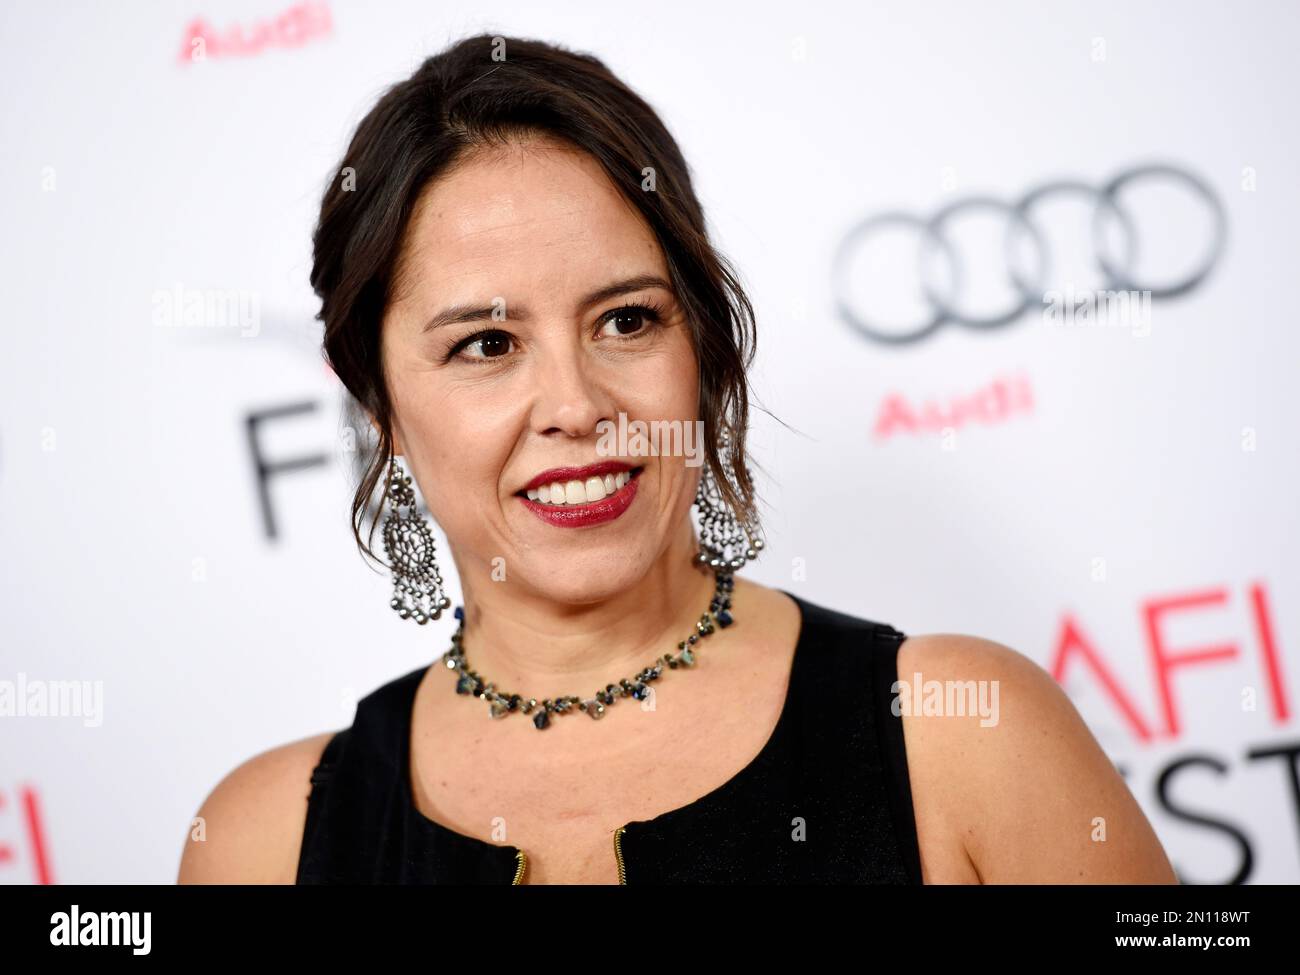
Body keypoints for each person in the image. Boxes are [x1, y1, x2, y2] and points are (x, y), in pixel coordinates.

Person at [177, 33, 1178, 885]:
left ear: (699, 342)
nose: (577, 407)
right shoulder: (265, 844)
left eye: (626, 320)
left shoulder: (962, 736)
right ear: (379, 406)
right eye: (486, 344)